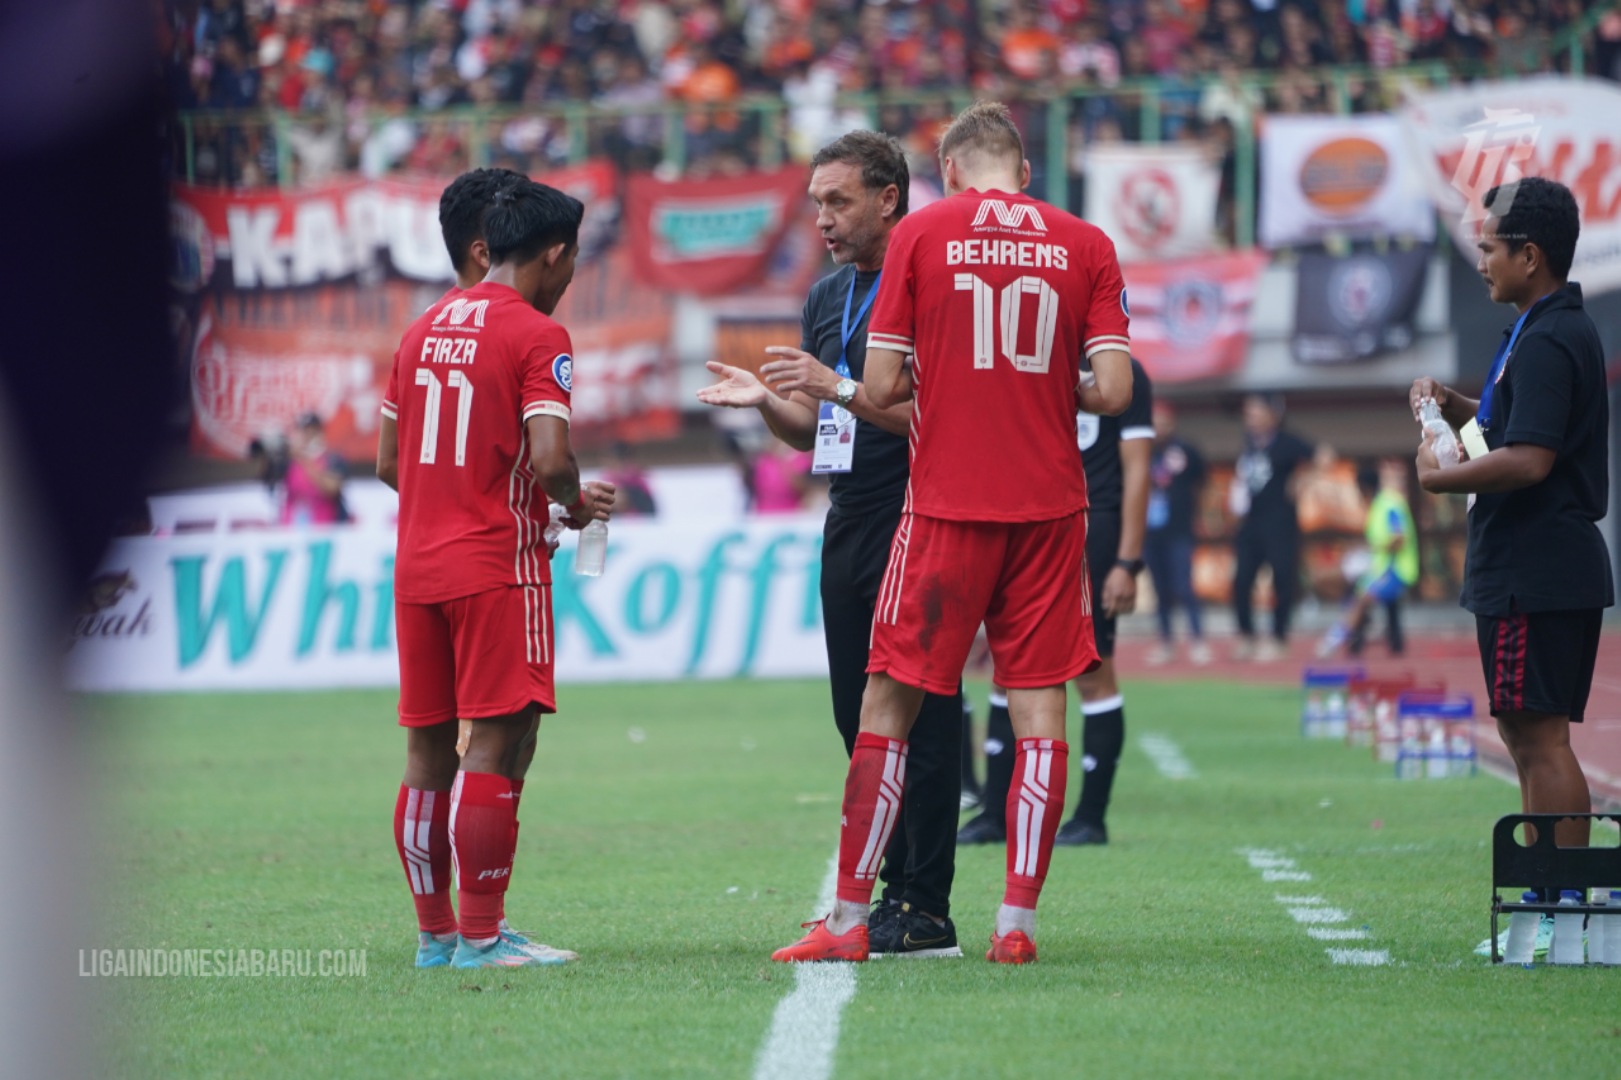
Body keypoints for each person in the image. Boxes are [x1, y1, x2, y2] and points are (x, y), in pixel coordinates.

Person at [768, 101, 1132, 965]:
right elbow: (1113, 392)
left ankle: (852, 921)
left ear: (947, 176)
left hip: (944, 505)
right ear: (1024, 174)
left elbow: (885, 384)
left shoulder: (926, 235)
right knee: (1040, 708)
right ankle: (1016, 926)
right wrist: (1051, 386)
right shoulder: (1085, 244)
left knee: (884, 707)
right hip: (1049, 509)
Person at [697, 131, 967, 959]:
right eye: (816, 202)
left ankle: (923, 906)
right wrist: (765, 403)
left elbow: (939, 415)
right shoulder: (826, 297)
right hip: (848, 513)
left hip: (918, 513)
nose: (822, 218)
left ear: (890, 198)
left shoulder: (932, 280)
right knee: (856, 719)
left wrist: (834, 387)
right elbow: (817, 428)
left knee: (918, 718)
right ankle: (887, 893)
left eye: (838, 200)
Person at [378, 177, 615, 969]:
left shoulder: (420, 329)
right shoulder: (537, 335)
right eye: (573, 259)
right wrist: (572, 506)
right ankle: (482, 935)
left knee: (426, 751)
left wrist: (459, 492)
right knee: (499, 739)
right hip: (494, 565)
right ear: (552, 253)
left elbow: (389, 462)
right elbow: (550, 459)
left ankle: (436, 935)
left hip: (417, 564)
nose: (571, 274)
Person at [1411, 177, 1611, 887]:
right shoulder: (1533, 329)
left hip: (1537, 566)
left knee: (1539, 737)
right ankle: (1545, 896)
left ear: (1529, 255)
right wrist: (1455, 404)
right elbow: (1501, 428)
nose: (1479, 260)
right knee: (1524, 735)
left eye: (1488, 247)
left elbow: (1529, 459)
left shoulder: (1552, 336)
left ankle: (1557, 901)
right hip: (1528, 565)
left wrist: (1437, 478)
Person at [959, 358, 1153, 849]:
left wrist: (1128, 561)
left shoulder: (1123, 371)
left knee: (1093, 670)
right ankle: (996, 813)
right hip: (1028, 523)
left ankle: (1091, 817)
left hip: (1094, 529)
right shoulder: (1033, 353)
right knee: (1008, 661)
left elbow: (1137, 470)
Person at [1229, 393, 1314, 662]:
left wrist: (1301, 480)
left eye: (1255, 412)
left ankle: (1279, 638)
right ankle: (1246, 636)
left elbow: (1324, 457)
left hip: (1280, 524)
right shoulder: (1251, 444)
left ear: (1273, 414)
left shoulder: (1289, 443)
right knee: (1241, 580)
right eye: (1247, 413)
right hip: (1250, 525)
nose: (1250, 417)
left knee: (1282, 581)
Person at [1316, 459, 1417, 659]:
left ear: (1363, 488)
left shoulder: (1389, 504)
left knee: (1362, 599)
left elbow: (1399, 538)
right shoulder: (1378, 506)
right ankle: (1359, 637)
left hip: (1398, 570)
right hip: (1382, 569)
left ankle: (1335, 640)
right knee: (1354, 592)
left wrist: (1372, 548)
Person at [1144, 401, 1209, 665]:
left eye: (1164, 422)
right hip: (1150, 532)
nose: (1159, 428)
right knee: (1160, 589)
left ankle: (1197, 640)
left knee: (1184, 586)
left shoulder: (1186, 450)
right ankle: (1166, 641)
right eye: (1155, 422)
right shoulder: (1142, 451)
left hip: (1179, 530)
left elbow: (1203, 481)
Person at [278, 412, 349, 525]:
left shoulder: (333, 459)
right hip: (292, 528)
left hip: (326, 529)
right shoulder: (288, 461)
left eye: (313, 432)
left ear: (321, 433)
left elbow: (332, 489)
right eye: (304, 432)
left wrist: (305, 460)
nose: (308, 436)